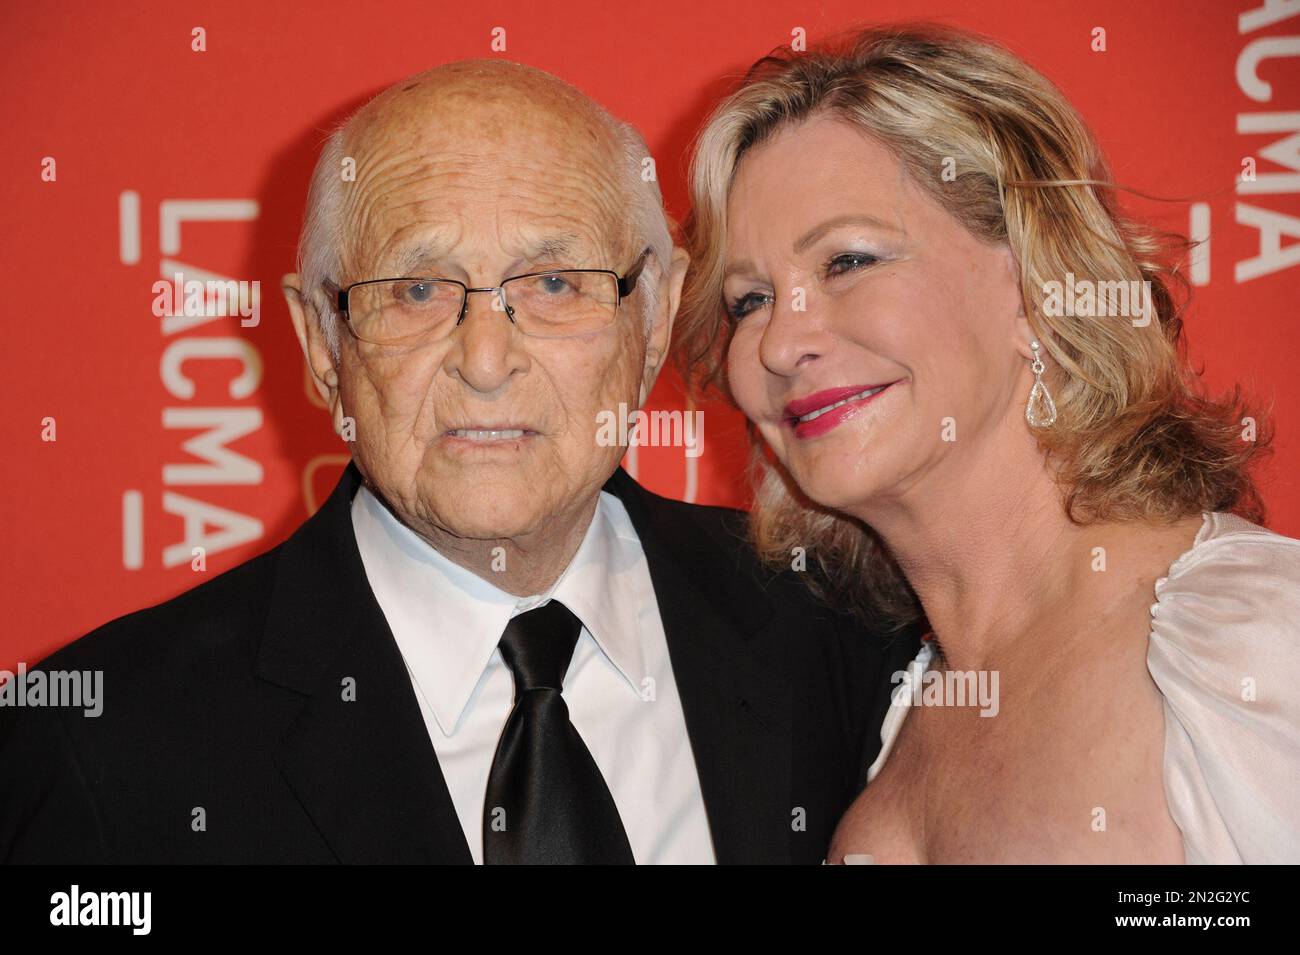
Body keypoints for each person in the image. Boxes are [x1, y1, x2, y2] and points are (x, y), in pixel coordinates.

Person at [0, 60, 918, 865]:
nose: (486, 361)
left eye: (556, 283)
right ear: (323, 343)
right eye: (416, 291)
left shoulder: (843, 622)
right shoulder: (105, 744)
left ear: (654, 318)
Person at [677, 23, 1300, 864]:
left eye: (848, 261)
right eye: (749, 300)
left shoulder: (1250, 642)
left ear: (1030, 281)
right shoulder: (891, 717)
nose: (781, 344)